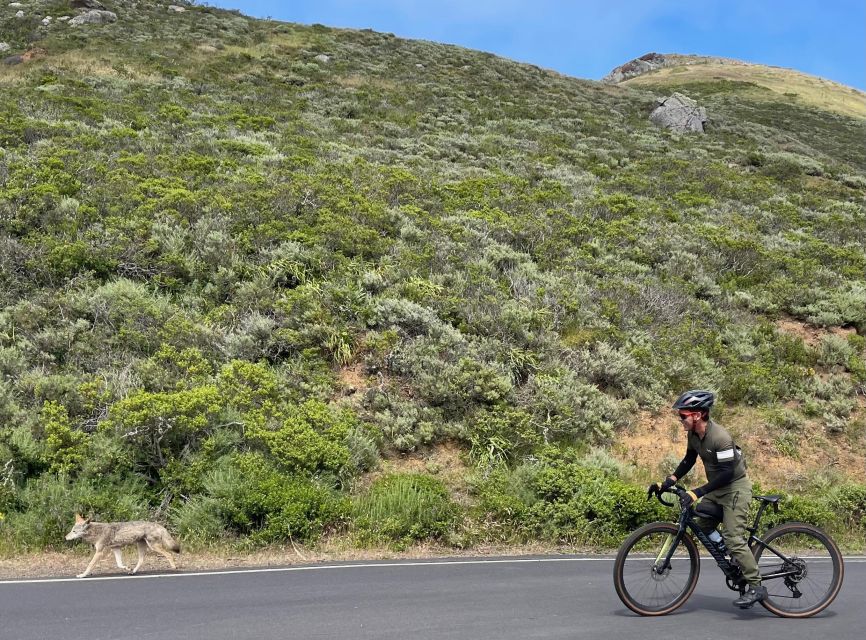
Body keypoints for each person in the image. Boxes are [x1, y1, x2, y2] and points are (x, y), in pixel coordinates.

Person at [650, 389, 766, 609]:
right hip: (718, 488)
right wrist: (669, 480)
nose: (680, 420)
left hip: (734, 488)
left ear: (698, 414)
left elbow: (728, 474)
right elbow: (689, 459)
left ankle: (756, 585)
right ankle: (729, 554)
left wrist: (697, 492)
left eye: (683, 415)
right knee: (703, 522)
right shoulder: (694, 435)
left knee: (734, 537)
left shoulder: (720, 438)